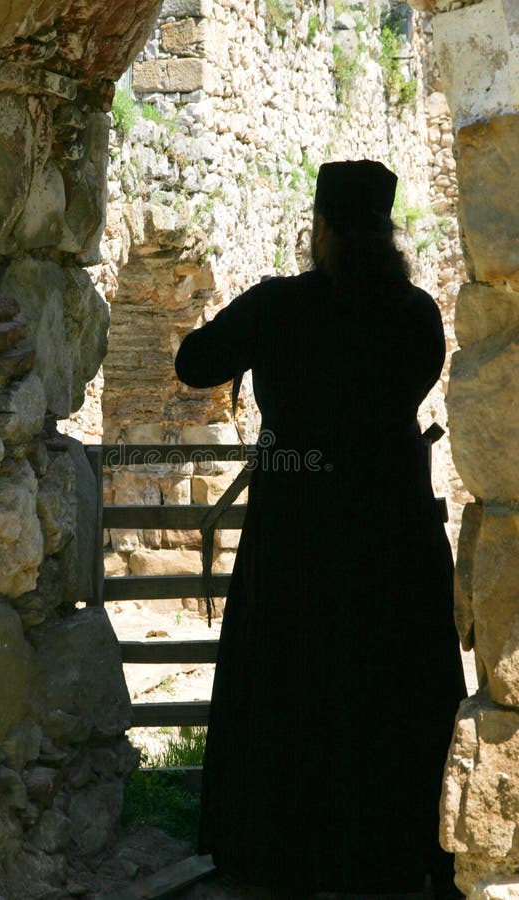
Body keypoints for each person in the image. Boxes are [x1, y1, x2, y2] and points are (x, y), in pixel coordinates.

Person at [174, 160, 466, 899]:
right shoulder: (418, 315)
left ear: (322, 229)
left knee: (294, 684)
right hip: (394, 530)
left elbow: (192, 361)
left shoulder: (277, 307)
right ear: (388, 233)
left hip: (296, 530)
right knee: (389, 687)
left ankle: (283, 851)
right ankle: (396, 852)